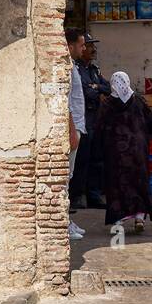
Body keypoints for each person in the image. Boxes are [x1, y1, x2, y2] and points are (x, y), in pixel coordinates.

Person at [94, 71, 152, 234]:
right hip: (138, 150)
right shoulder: (138, 100)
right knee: (139, 181)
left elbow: (99, 127)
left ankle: (119, 220)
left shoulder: (107, 103)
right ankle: (140, 217)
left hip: (115, 151)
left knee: (116, 184)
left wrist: (98, 148)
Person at [68, 32, 106, 211]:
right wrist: (95, 90)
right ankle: (77, 196)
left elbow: (108, 88)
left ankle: (94, 195)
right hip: (83, 120)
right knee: (81, 161)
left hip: (94, 120)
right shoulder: (76, 68)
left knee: (96, 160)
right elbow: (86, 92)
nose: (91, 49)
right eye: (87, 45)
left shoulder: (94, 70)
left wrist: (96, 87)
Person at [65, 29, 87, 241]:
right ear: (70, 46)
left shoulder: (73, 66)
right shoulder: (66, 67)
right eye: (81, 45)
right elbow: (67, 102)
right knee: (66, 177)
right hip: (72, 127)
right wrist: (72, 130)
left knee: (69, 177)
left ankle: (67, 221)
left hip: (78, 126)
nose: (84, 48)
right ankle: (64, 225)